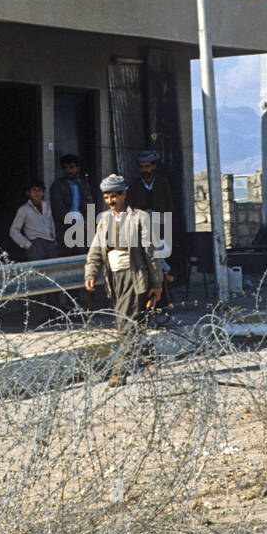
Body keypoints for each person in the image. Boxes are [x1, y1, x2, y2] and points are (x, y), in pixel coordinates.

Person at [84, 174, 164, 385]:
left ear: (124, 194)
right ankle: (151, 360)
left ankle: (119, 373)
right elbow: (95, 250)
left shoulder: (139, 218)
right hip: (114, 278)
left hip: (134, 276)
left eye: (114, 196)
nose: (111, 201)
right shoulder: (103, 220)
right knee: (133, 322)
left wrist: (157, 283)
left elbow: (150, 252)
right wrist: (91, 273)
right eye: (107, 197)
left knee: (124, 323)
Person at [125, 149, 176, 309]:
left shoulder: (162, 183)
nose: (145, 170)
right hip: (142, 234)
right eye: (142, 167)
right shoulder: (133, 186)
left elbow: (169, 208)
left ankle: (163, 302)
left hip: (160, 230)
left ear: (153, 166)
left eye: (148, 166)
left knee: (161, 265)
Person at [50, 154, 98, 255]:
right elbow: (59, 210)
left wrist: (89, 222)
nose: (69, 171)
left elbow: (90, 205)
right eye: (66, 168)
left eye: (72, 167)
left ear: (77, 168)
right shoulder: (57, 186)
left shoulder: (84, 185)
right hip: (66, 227)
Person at [9, 179, 57, 261]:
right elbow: (13, 231)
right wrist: (28, 245)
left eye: (40, 190)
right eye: (34, 190)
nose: (37, 193)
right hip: (36, 245)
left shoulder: (47, 206)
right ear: (28, 193)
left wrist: (54, 239)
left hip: (50, 243)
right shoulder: (24, 209)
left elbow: (51, 223)